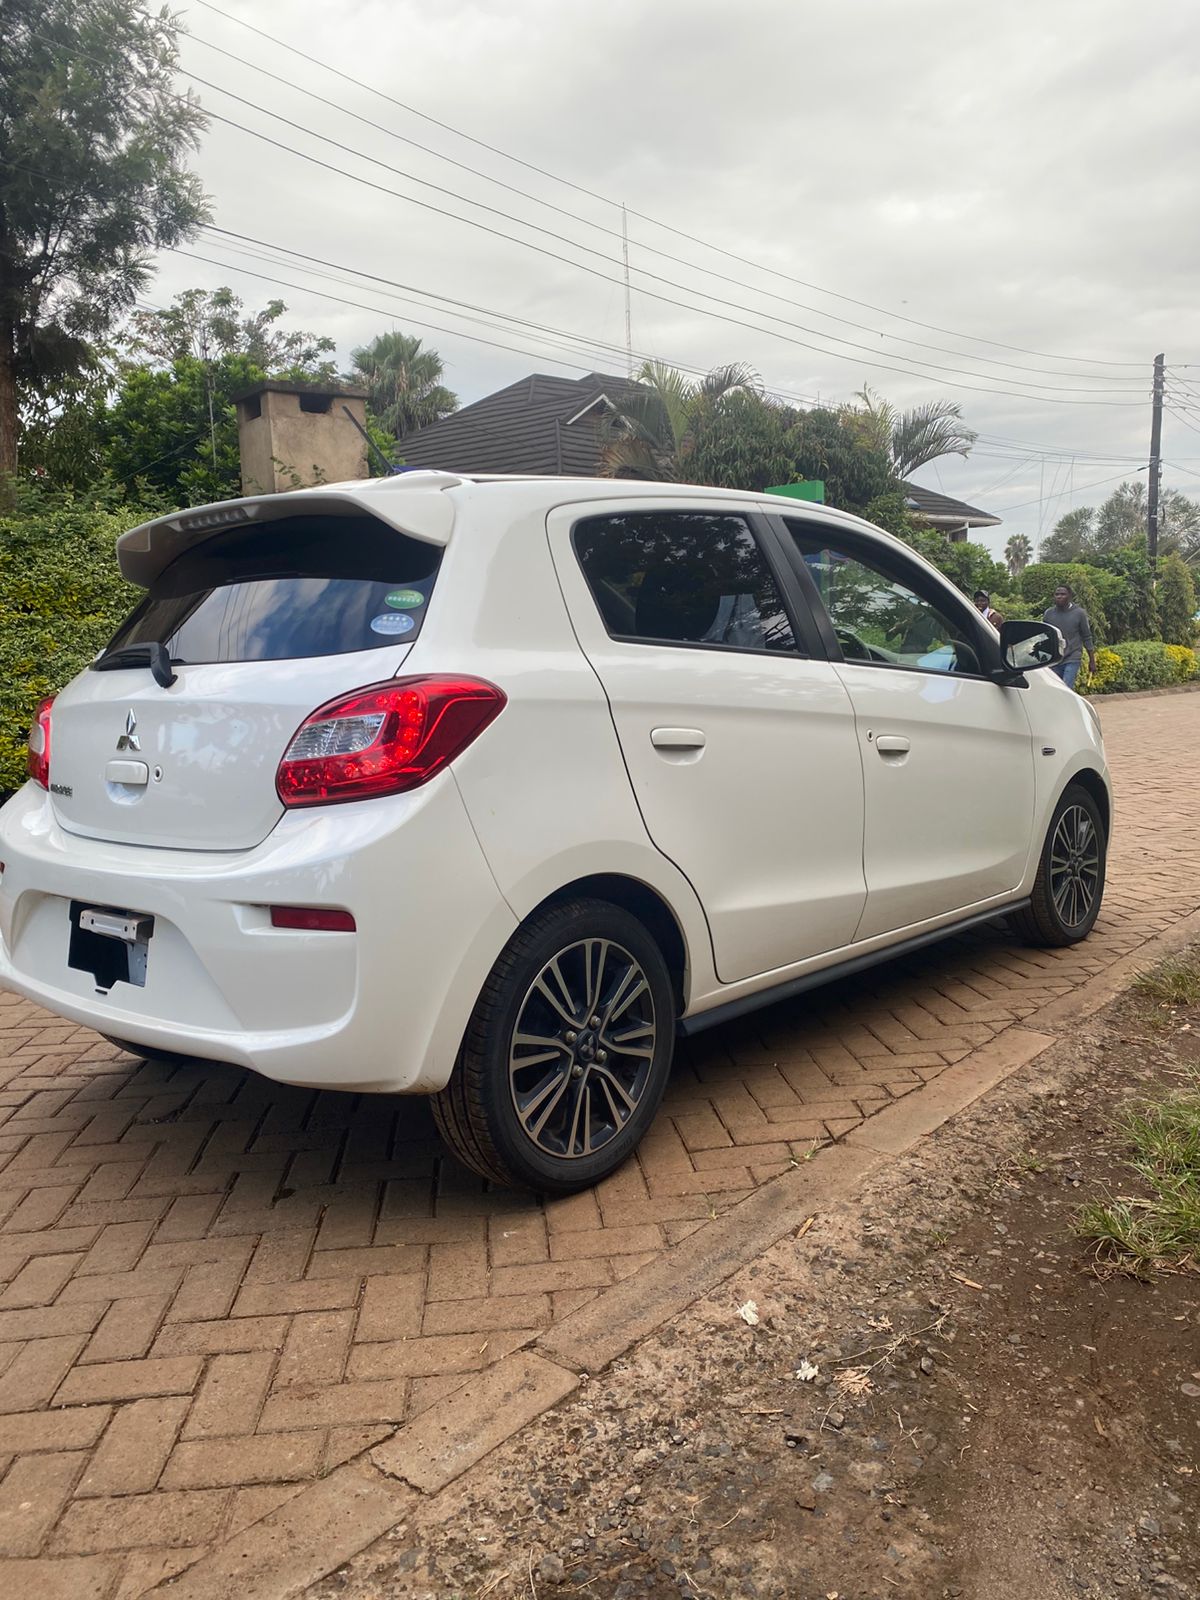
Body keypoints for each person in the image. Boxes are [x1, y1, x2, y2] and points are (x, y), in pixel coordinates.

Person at [1043, 583, 1097, 690]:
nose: (1059, 597)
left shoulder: (1079, 613)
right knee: (1054, 689)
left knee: (1066, 688)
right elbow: (1044, 636)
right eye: (1057, 594)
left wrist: (1092, 660)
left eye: (1063, 594)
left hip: (1072, 657)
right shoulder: (1048, 614)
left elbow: (1087, 637)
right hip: (1054, 659)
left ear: (1070, 596)